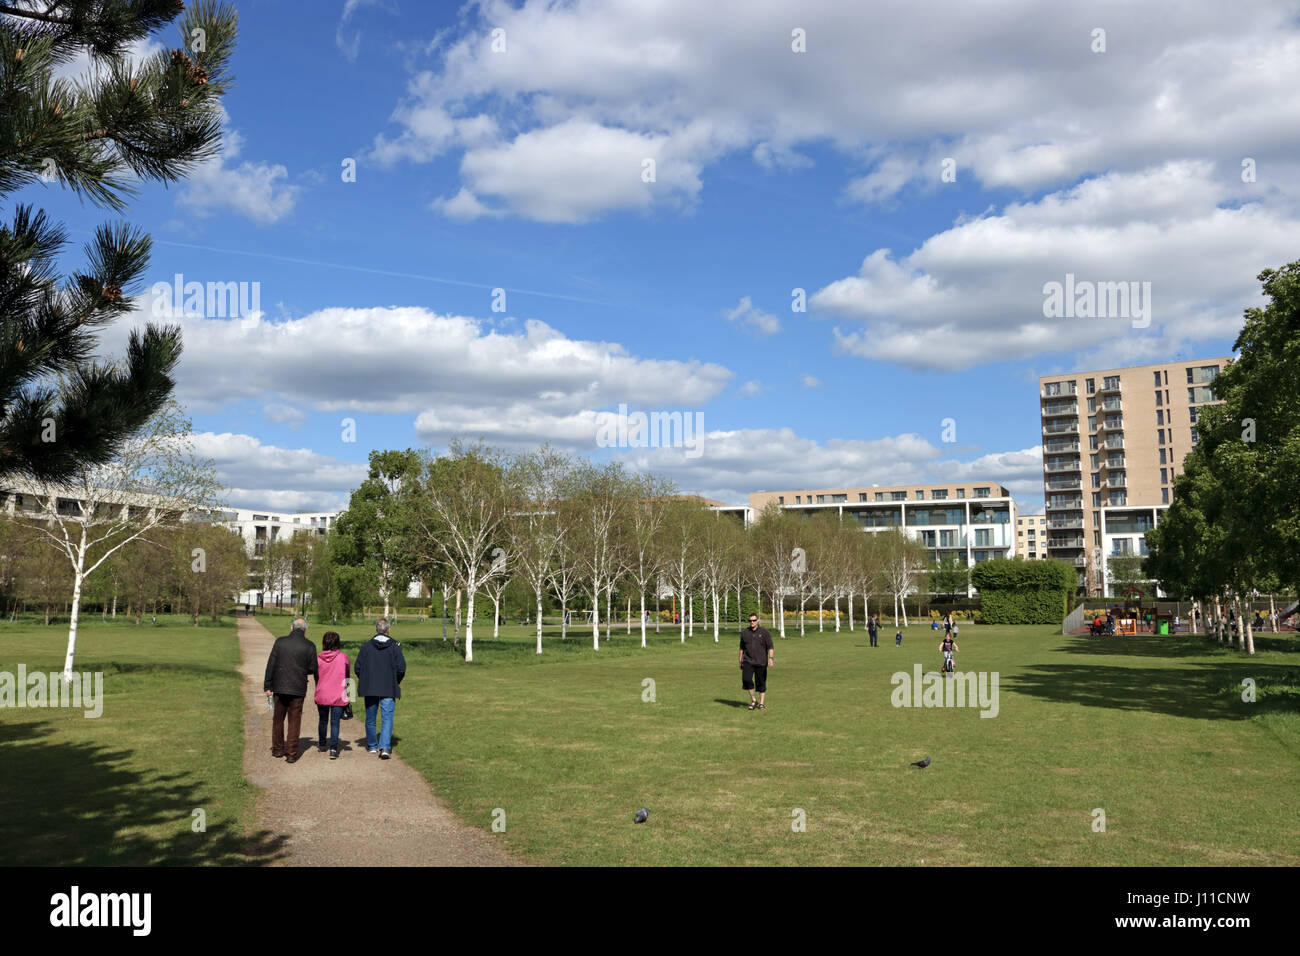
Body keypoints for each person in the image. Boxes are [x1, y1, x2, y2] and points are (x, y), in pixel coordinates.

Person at [263, 617, 318, 763]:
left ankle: (278, 749)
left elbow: (271, 664)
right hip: (298, 688)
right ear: (305, 629)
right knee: (295, 720)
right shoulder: (310, 645)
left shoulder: (280, 642)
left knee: (278, 720)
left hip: (279, 687)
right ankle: (291, 753)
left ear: (291, 627)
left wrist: (267, 685)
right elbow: (313, 668)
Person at [354, 618, 406, 759]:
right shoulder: (394, 647)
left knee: (370, 718)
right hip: (388, 687)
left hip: (370, 686)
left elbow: (357, 668)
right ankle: (384, 747)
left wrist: (365, 679)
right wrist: (395, 681)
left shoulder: (366, 647)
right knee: (387, 718)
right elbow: (401, 668)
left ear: (376, 629)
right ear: (388, 630)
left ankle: (372, 745)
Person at [315, 631, 351, 760]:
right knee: (335, 722)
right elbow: (348, 677)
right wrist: (349, 695)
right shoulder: (343, 657)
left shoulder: (318, 658)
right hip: (337, 693)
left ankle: (322, 743)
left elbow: (316, 675)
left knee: (323, 720)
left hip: (322, 692)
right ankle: (334, 748)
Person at [739, 614, 774, 710]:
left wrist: (771, 658)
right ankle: (754, 700)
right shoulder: (745, 633)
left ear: (758, 620)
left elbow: (770, 646)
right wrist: (740, 660)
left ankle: (761, 703)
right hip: (748, 661)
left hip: (761, 662)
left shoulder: (764, 632)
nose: (752, 622)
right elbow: (741, 648)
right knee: (746, 680)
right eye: (750, 620)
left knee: (761, 682)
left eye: (754, 620)